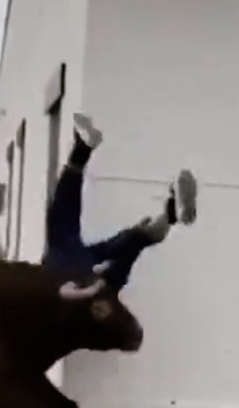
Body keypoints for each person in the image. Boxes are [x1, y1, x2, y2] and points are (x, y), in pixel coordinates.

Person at [39, 113, 197, 293]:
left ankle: (168, 218)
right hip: (73, 284)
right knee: (62, 241)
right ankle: (83, 149)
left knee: (122, 245)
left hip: (94, 291)